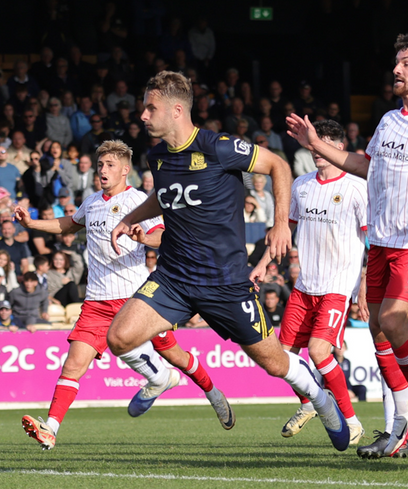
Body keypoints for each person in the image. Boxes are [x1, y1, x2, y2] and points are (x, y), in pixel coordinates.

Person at [110, 71, 350, 452]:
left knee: (274, 363)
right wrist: (130, 218)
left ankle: (320, 400)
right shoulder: (157, 157)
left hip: (226, 282)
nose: (142, 115)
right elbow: (166, 196)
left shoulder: (218, 147)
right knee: (119, 337)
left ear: (175, 111)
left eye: (149, 107)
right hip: (174, 277)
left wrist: (279, 224)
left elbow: (279, 166)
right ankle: (162, 379)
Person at [287, 30, 408, 456]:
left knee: (393, 320)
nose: (396, 68)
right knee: (377, 330)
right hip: (383, 241)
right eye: (397, 61)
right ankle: (398, 425)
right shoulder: (389, 120)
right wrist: (315, 143)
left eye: (406, 61)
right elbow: (363, 165)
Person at [15, 139, 232, 451]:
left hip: (138, 301)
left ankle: (212, 393)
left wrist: (145, 237)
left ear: (125, 170)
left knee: (175, 355)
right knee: (73, 365)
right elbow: (69, 225)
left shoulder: (139, 201)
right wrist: (32, 222)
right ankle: (50, 428)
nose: (103, 170)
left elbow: (164, 235)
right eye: (100, 165)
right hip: (97, 302)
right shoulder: (91, 202)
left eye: (110, 165)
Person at [249, 120, 367, 446]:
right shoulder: (301, 185)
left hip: (337, 286)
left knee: (318, 352)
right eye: (314, 144)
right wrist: (261, 265)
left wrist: (365, 289)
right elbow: (282, 234)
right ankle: (308, 404)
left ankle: (352, 421)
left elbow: (373, 241)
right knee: (281, 357)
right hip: (304, 287)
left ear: (340, 148)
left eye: (325, 143)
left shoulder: (358, 187)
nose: (316, 149)